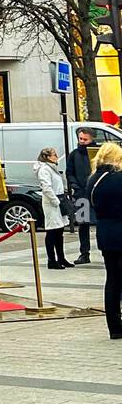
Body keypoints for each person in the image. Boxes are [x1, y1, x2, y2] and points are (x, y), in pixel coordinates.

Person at [87, 142, 122, 339]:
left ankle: (114, 326)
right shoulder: (118, 179)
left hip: (105, 233)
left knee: (112, 280)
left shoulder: (93, 179)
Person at [34, 148, 71, 269]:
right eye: (54, 155)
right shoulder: (44, 169)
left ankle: (61, 258)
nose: (56, 156)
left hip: (59, 199)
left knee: (59, 231)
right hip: (52, 202)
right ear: (48, 157)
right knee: (52, 231)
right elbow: (46, 187)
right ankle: (51, 260)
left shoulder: (52, 168)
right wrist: (55, 201)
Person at [66, 127, 97, 265]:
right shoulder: (73, 155)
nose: (82, 142)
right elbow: (69, 172)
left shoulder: (97, 153)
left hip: (97, 195)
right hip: (81, 195)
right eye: (80, 139)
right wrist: (75, 186)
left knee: (101, 223)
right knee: (83, 224)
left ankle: (106, 251)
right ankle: (84, 253)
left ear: (92, 139)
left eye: (85, 139)